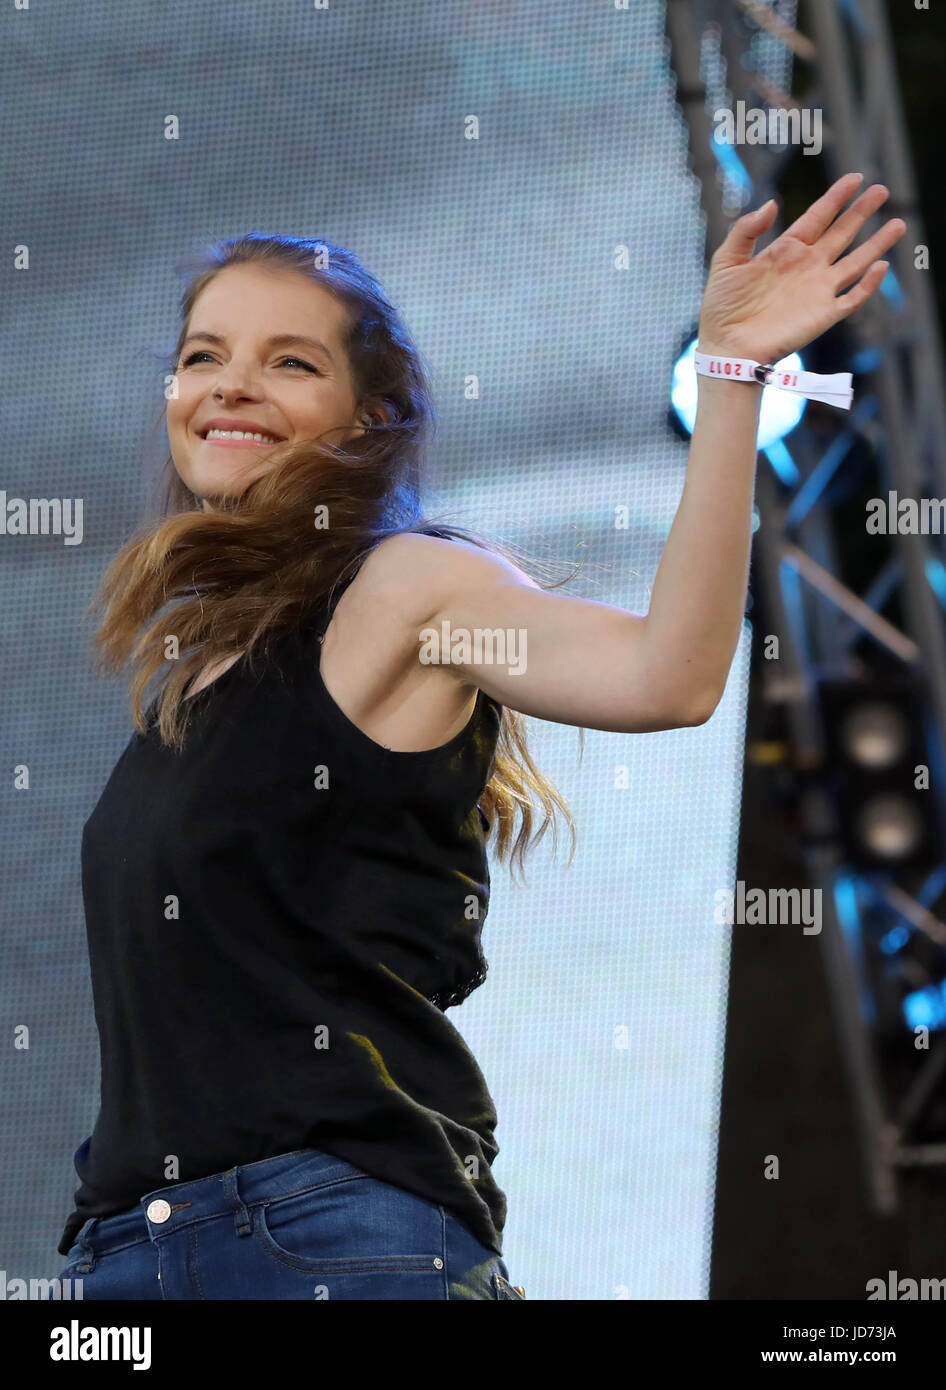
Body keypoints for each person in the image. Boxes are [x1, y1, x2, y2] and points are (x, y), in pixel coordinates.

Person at [51, 177, 904, 1300]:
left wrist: (732, 374)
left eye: (290, 361)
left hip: (325, 1237)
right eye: (204, 354)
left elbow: (671, 675)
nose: (231, 384)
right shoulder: (192, 676)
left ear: (373, 418)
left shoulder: (405, 588)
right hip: (125, 1255)